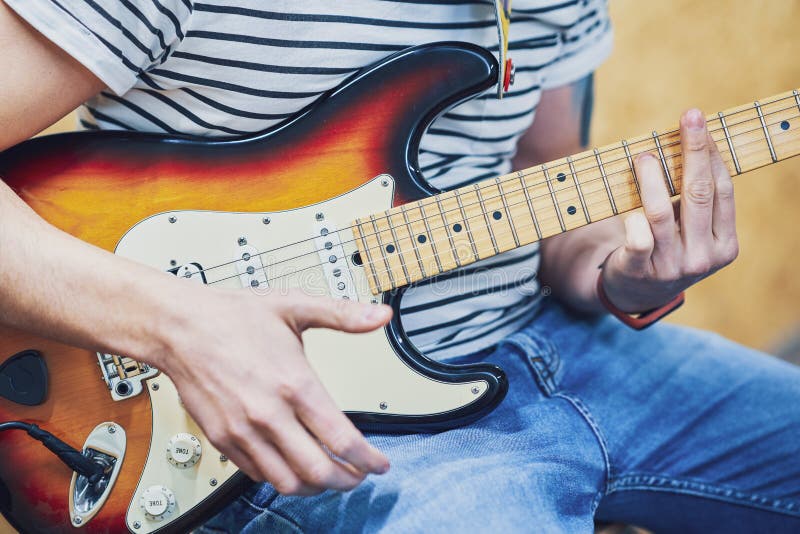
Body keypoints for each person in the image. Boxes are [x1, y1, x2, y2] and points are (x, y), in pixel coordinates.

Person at [1, 1, 798, 532]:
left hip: (560, 351)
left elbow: (547, 181)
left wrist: (624, 271)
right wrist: (177, 328)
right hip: (298, 420)